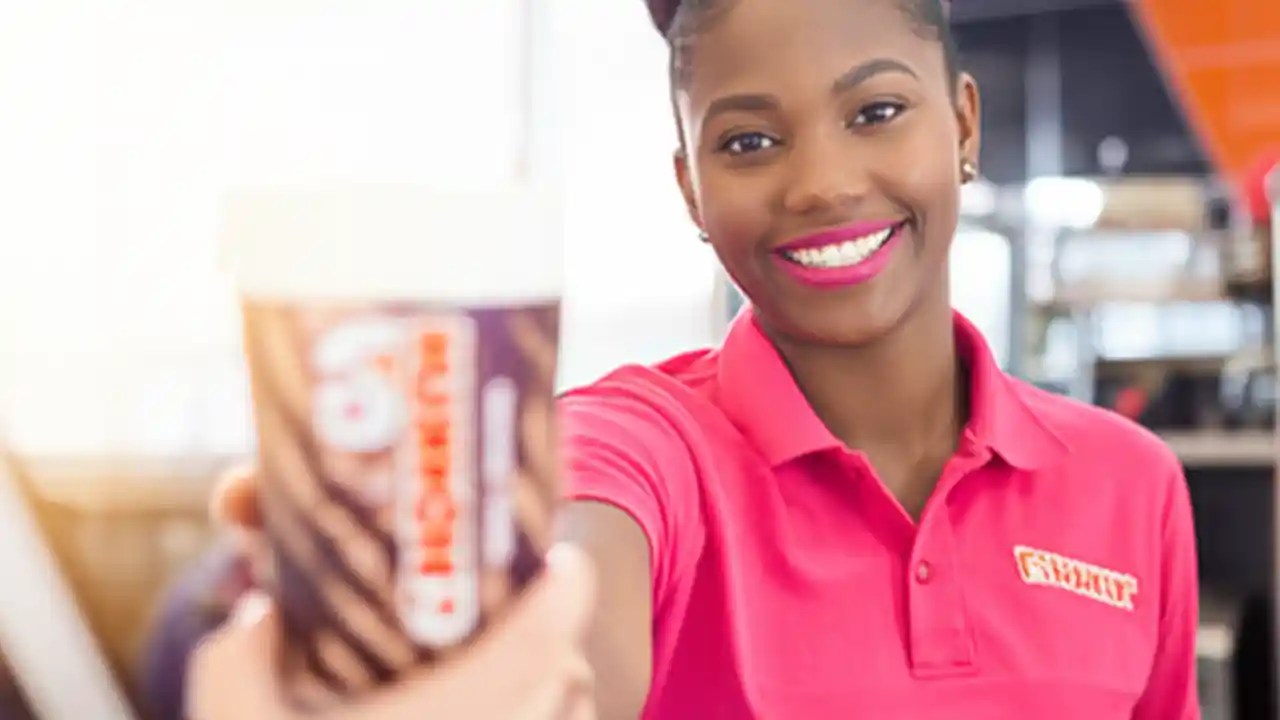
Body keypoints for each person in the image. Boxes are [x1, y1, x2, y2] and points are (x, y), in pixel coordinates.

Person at [197, 0, 1202, 717]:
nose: (819, 184)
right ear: (689, 191)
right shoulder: (640, 446)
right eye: (750, 142)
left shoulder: (1127, 482)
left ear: (964, 127)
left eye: (876, 113)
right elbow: (570, 585)